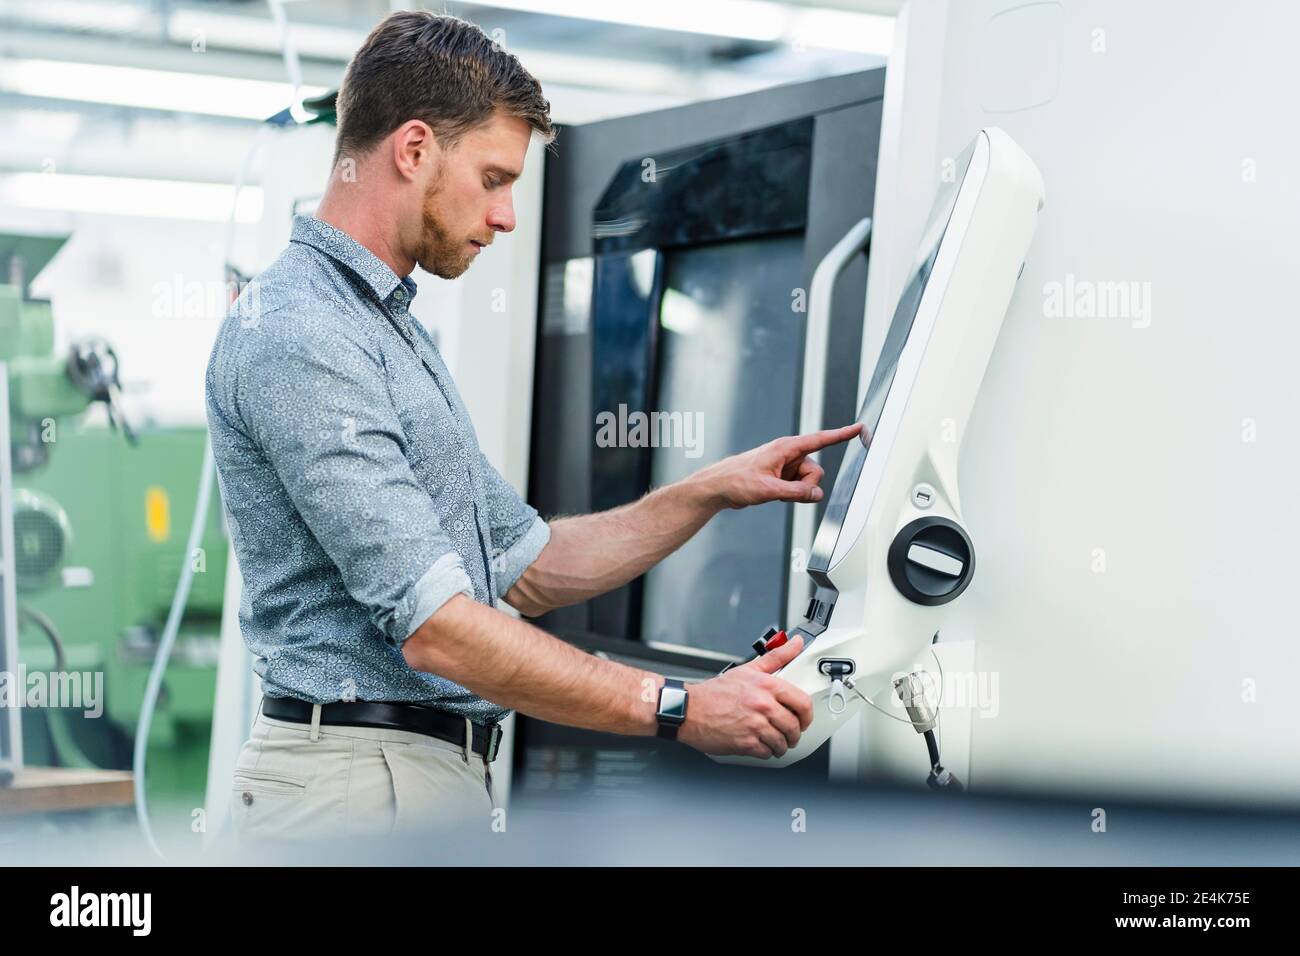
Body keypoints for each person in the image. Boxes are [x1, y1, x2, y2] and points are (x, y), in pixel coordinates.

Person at [205, 10, 862, 841]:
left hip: (411, 780)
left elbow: (529, 565)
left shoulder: (390, 331)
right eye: (492, 178)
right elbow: (438, 629)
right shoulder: (305, 333)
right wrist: (681, 708)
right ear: (413, 150)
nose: (508, 214)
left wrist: (711, 491)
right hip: (352, 791)